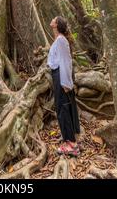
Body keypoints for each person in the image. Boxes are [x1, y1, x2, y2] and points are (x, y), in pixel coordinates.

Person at [47, 16, 80, 156]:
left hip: (61, 76)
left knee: (63, 109)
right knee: (63, 108)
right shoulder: (59, 40)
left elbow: (66, 62)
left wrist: (66, 83)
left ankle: (71, 144)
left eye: (53, 19)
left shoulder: (61, 40)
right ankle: (70, 139)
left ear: (56, 24)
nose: (52, 20)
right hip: (59, 76)